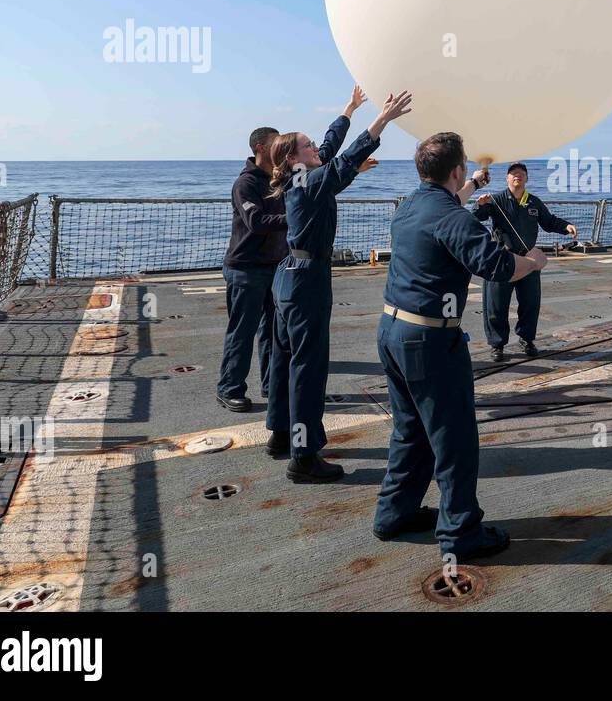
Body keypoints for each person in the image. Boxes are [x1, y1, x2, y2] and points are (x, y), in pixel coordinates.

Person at [373, 133, 548, 560]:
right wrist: (535, 261)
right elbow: (499, 266)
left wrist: (471, 186)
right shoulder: (455, 219)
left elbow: (447, 208)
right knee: (454, 439)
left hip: (392, 331)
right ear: (454, 170)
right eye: (463, 167)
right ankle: (459, 533)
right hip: (430, 341)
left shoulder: (411, 205)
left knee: (409, 430)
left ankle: (393, 515)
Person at [264, 85, 407, 483]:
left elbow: (331, 149)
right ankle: (304, 458)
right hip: (307, 282)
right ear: (293, 157)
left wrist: (349, 109)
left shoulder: (300, 176)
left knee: (283, 361)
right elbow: (344, 160)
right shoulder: (310, 182)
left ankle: (279, 435)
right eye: (307, 145)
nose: (315, 148)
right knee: (308, 368)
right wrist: (382, 120)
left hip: (287, 277)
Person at [473, 162, 577, 360]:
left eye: (521, 174)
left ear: (527, 179)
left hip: (528, 260)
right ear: (507, 178)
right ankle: (497, 345)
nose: (517, 177)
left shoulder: (534, 202)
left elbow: (549, 221)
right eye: (513, 174)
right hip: (502, 259)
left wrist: (566, 226)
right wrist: (479, 204)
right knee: (495, 306)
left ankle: (527, 340)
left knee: (530, 303)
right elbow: (476, 217)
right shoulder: (496, 200)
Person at [217, 126, 285, 413]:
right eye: (275, 145)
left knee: (273, 331)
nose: (281, 150)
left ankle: (272, 385)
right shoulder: (245, 184)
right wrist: (295, 218)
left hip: (273, 267)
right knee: (242, 332)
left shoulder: (280, 179)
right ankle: (229, 388)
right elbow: (256, 221)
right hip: (245, 269)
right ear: (260, 148)